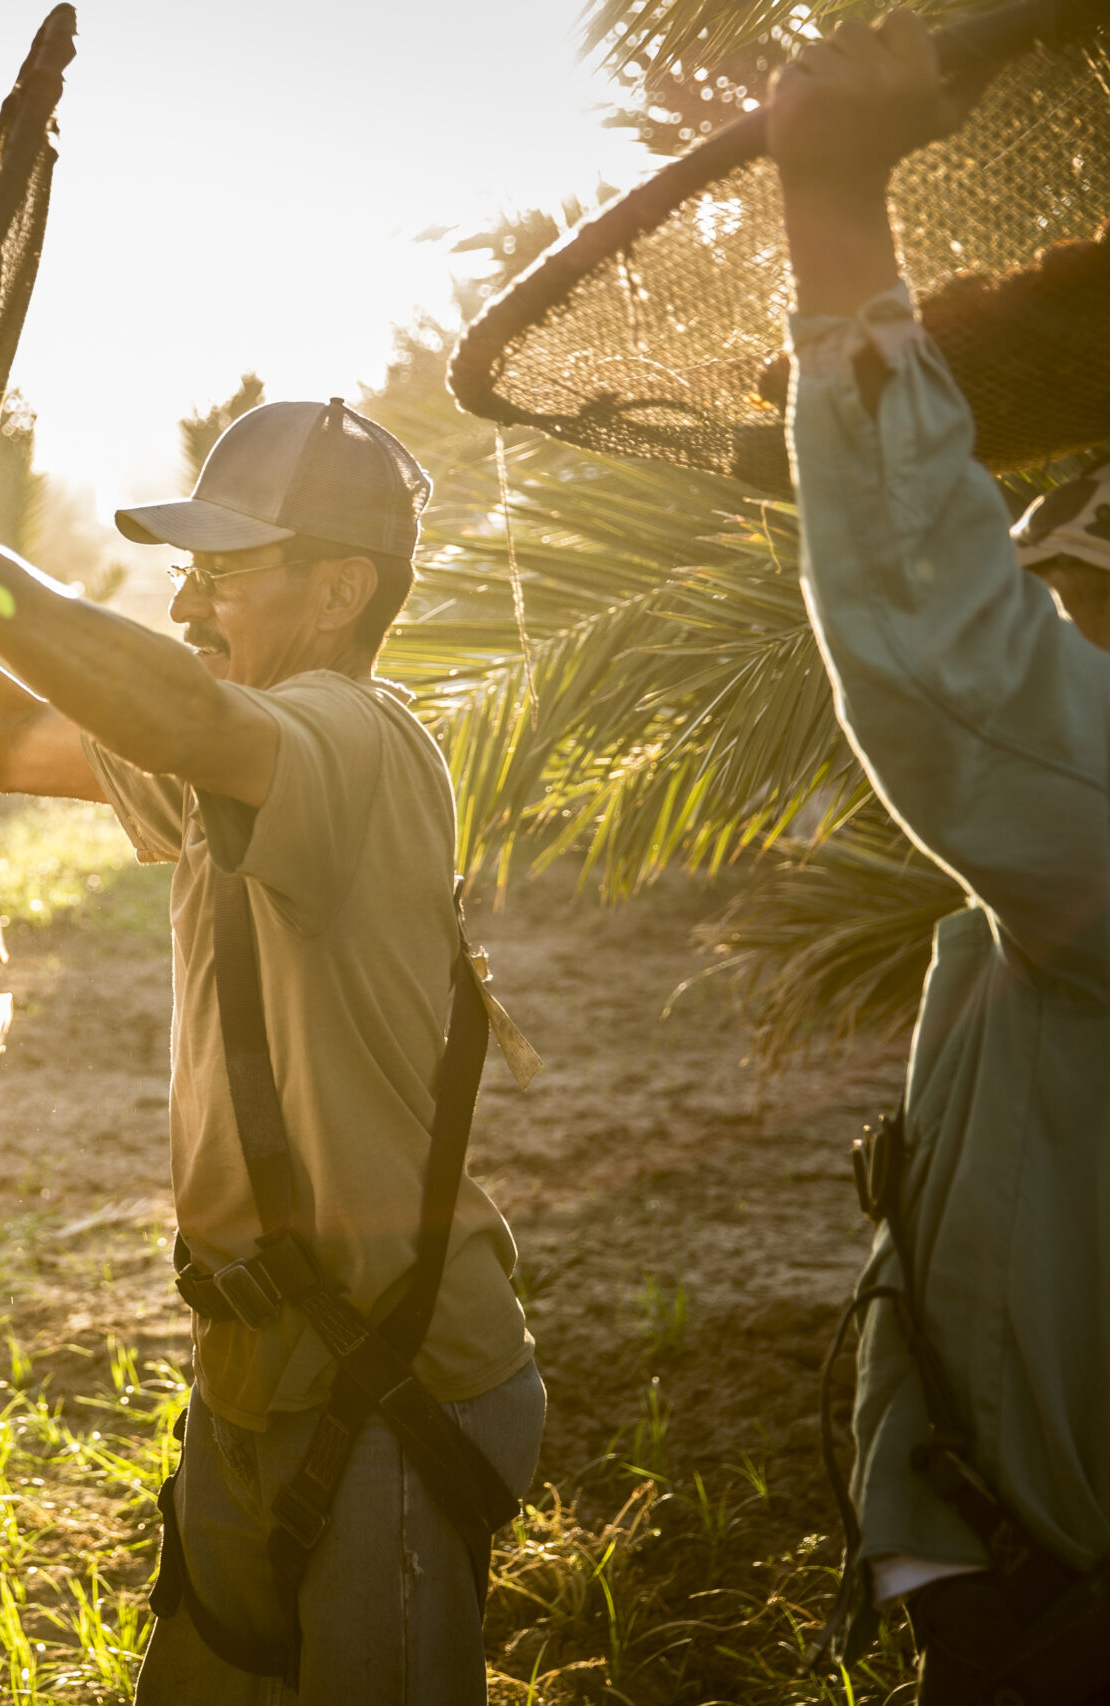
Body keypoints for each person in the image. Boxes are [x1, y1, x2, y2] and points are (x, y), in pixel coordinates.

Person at [0, 389, 541, 1701]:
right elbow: (6, 741)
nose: (189, 604)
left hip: (387, 1371)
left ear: (339, 592)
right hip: (262, 1362)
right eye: (184, 573)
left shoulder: (353, 739)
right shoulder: (230, 758)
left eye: (225, 572)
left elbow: (185, 717)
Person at [771, 14, 1110, 1701]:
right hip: (1008, 1579)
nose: (1064, 631)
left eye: (1083, 600)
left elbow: (949, 655)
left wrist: (837, 209)